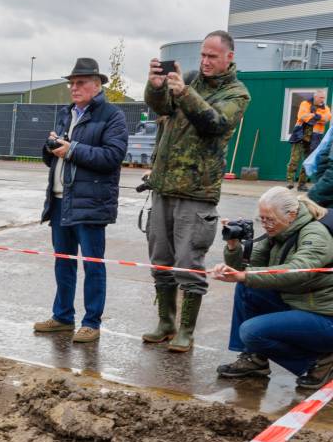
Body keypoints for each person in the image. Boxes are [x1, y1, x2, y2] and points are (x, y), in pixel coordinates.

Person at [142, 30, 251, 353]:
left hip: (196, 191)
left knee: (189, 262)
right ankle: (165, 322)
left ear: (229, 57)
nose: (205, 61)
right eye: (203, 55)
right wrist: (157, 86)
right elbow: (159, 108)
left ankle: (186, 330)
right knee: (160, 259)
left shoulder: (237, 93)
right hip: (163, 186)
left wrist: (185, 92)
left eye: (212, 56)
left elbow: (214, 123)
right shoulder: (189, 80)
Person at [32, 58, 129, 343]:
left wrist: (72, 149)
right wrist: (50, 147)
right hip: (61, 199)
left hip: (91, 203)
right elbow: (53, 158)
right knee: (63, 262)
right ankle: (63, 317)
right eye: (71, 83)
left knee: (92, 264)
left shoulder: (112, 116)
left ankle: (91, 322)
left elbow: (112, 156)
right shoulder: (66, 113)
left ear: (97, 85)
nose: (74, 88)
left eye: (81, 83)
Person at [211, 187, 333, 389]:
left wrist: (244, 275)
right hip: (301, 303)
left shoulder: (315, 233)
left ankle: (320, 361)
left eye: (269, 219)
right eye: (262, 219)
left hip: (325, 316)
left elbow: (299, 270)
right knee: (246, 288)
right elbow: (246, 269)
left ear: (291, 215)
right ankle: (255, 359)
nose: (265, 225)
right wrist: (233, 245)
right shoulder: (282, 230)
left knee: (251, 331)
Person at [288, 90, 330, 191]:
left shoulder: (326, 108)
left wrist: (312, 115)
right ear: (315, 97)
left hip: (314, 139)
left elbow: (326, 118)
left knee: (307, 162)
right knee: (294, 160)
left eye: (323, 98)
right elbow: (302, 117)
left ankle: (302, 184)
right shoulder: (305, 103)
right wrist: (318, 117)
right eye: (321, 98)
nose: (322, 100)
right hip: (300, 136)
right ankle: (290, 182)